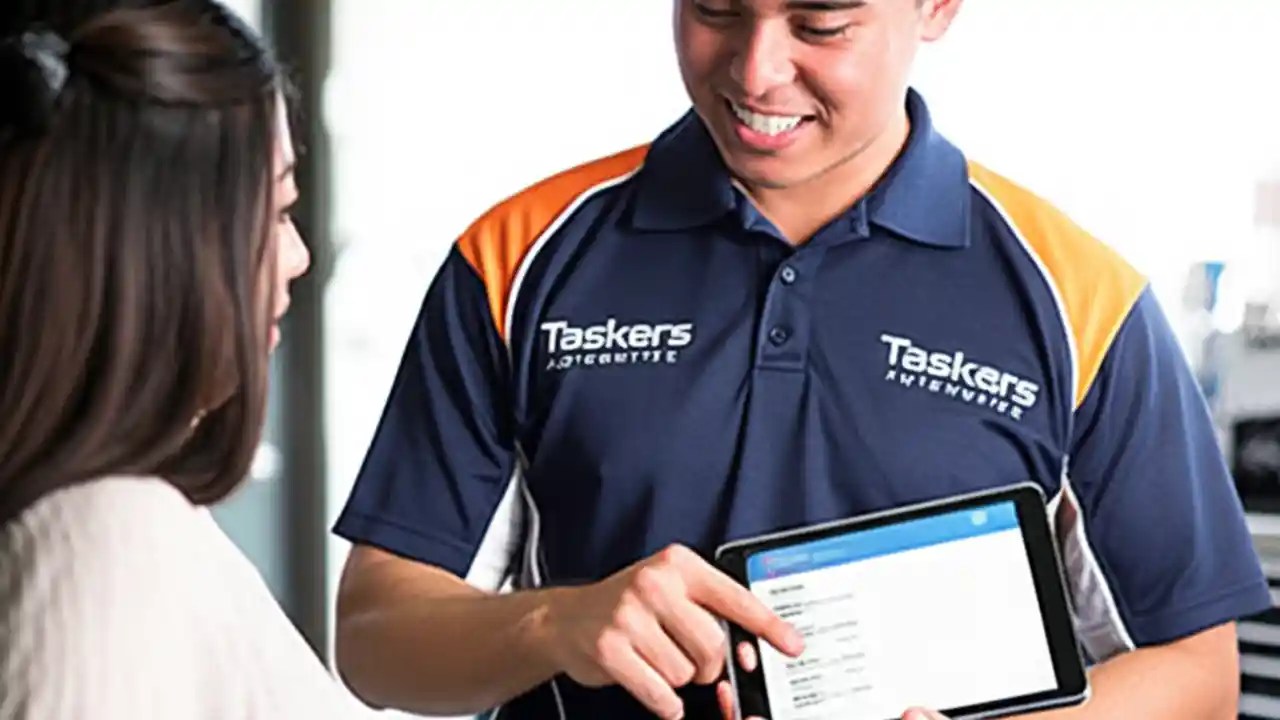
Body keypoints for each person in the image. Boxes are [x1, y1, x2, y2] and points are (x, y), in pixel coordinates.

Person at [331, 0, 1270, 718]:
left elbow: (1197, 672)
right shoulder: (517, 259)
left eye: (820, 23)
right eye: (714, 9)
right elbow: (374, 639)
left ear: (937, 7)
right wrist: (553, 622)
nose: (756, 69)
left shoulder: (1082, 298)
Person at [0, 1, 363, 717]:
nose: (297, 256)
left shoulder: (122, 523)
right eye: (277, 211)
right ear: (169, 247)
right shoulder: (104, 534)